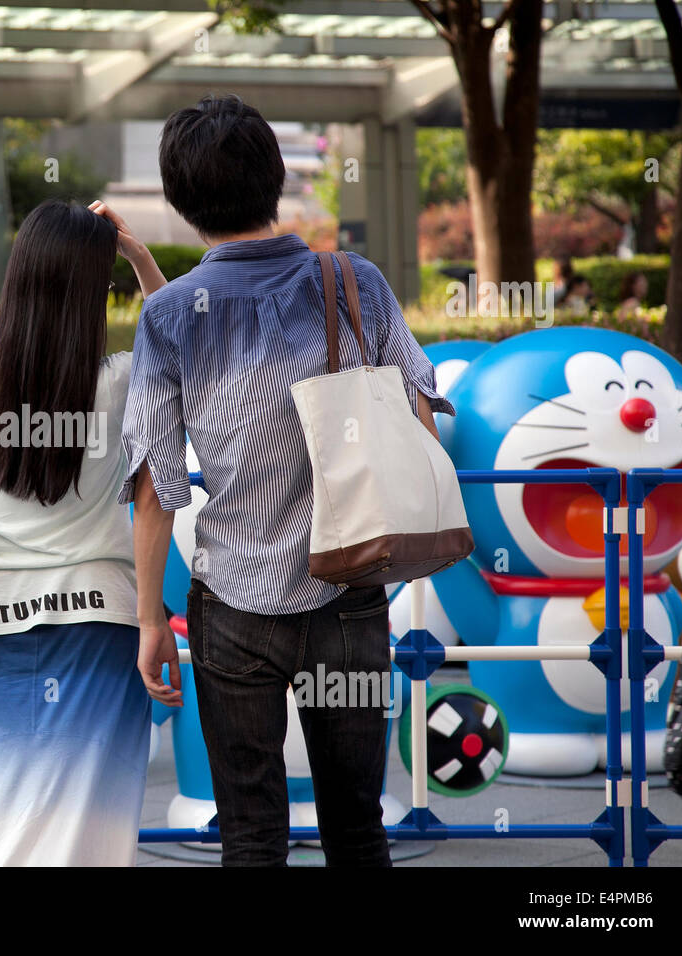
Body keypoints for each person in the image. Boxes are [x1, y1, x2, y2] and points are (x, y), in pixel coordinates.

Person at [120, 94, 451, 867]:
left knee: (251, 836)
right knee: (358, 829)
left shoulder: (168, 315)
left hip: (233, 605)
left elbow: (155, 488)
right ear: (275, 179)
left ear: (180, 200)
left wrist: (148, 623)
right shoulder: (354, 281)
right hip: (350, 599)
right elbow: (420, 419)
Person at [0, 198, 166, 866]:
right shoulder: (121, 384)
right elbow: (183, 334)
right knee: (90, 830)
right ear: (91, 297)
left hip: (0, 629)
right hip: (105, 625)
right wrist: (137, 255)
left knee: (5, 809)